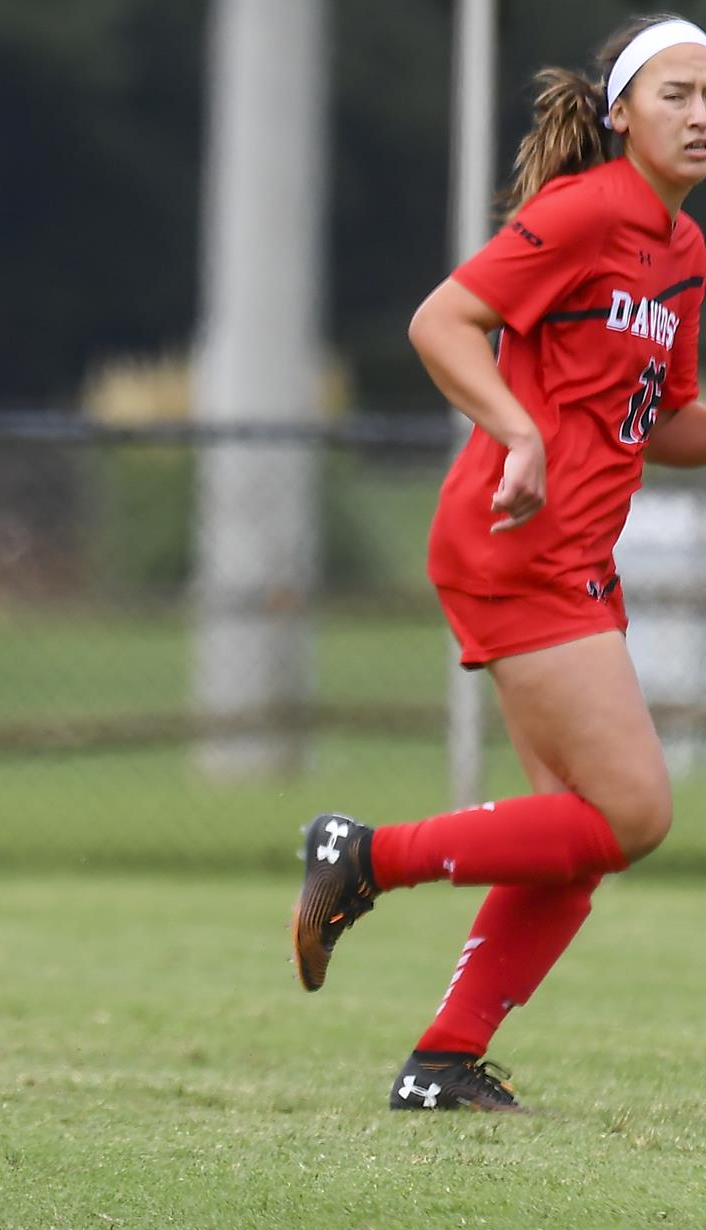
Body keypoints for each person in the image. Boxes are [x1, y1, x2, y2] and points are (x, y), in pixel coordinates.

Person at [292, 14, 706, 1111]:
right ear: (617, 111)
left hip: (570, 551)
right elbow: (442, 322)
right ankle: (362, 854)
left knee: (568, 845)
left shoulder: (681, 249)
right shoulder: (585, 210)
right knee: (632, 813)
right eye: (674, 92)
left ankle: (441, 1060)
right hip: (515, 537)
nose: (698, 113)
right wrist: (514, 429)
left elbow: (659, 421)